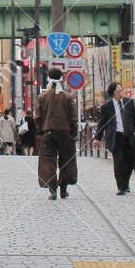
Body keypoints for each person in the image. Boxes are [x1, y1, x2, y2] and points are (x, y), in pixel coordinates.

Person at [35, 68, 80, 200]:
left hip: (47, 133)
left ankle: (52, 189)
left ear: (48, 78)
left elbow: (38, 117)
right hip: (65, 133)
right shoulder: (68, 97)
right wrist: (73, 133)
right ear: (62, 79)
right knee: (66, 160)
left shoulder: (42, 97)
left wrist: (39, 132)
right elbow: (73, 118)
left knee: (48, 160)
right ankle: (63, 188)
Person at [94, 81, 135, 196]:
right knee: (119, 162)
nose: (121, 93)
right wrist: (97, 138)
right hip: (116, 137)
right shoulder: (106, 107)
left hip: (129, 136)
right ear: (112, 93)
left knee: (130, 161)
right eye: (118, 91)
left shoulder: (129, 102)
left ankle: (126, 183)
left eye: (121, 90)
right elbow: (102, 123)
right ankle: (121, 187)